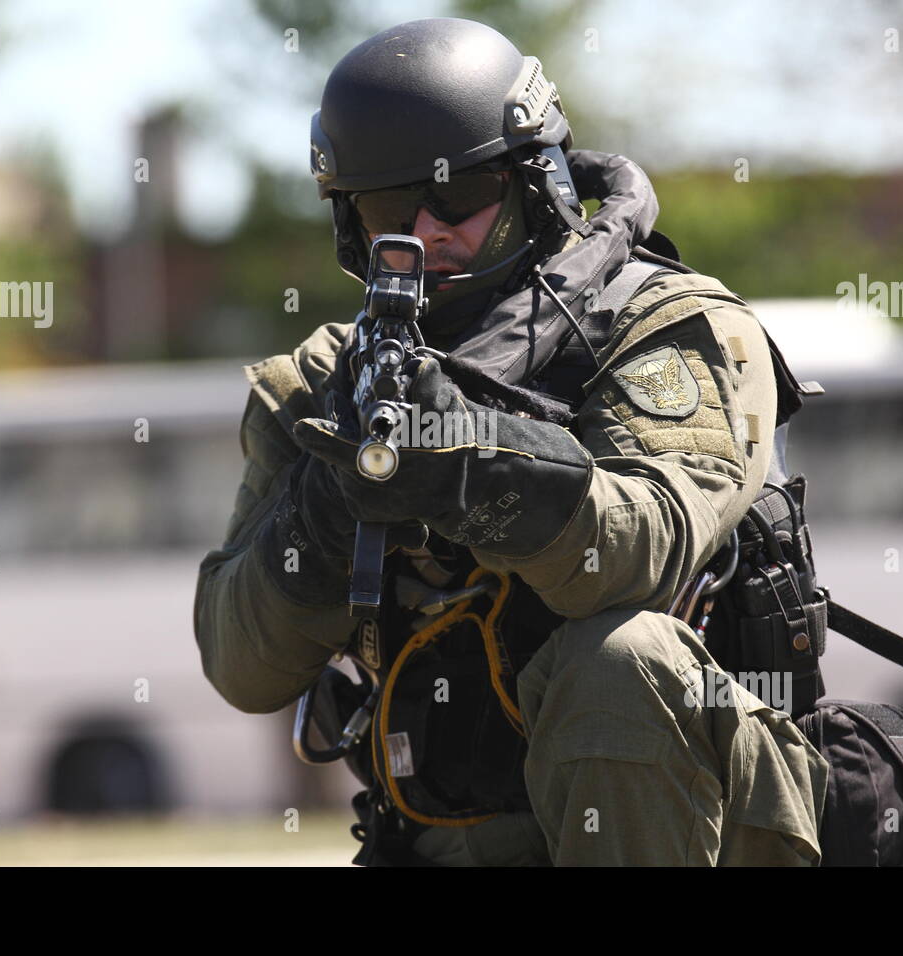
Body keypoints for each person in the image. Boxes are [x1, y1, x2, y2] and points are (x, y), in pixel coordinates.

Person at [194, 17, 829, 866]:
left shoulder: (664, 328)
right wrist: (328, 506)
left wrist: (474, 466)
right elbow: (242, 667)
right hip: (439, 835)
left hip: (699, 822)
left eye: (458, 196)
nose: (428, 231)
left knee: (622, 659)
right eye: (391, 206)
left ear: (534, 180)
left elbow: (648, 547)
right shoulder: (323, 388)